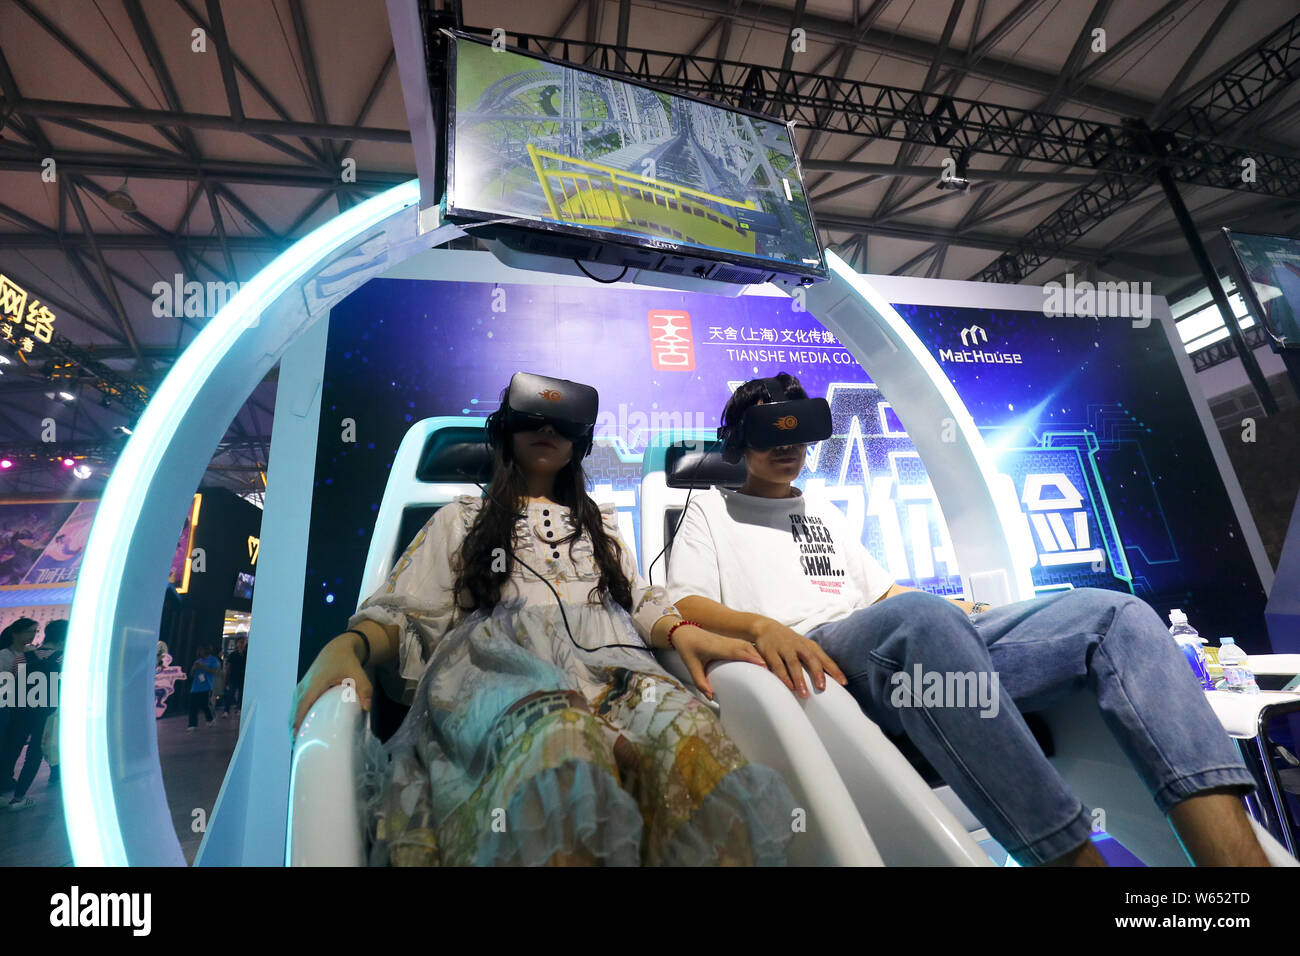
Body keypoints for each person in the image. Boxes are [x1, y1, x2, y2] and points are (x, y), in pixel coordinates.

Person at [667, 371, 1270, 867]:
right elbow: (683, 602)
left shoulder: (823, 510)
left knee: (1118, 617)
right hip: (819, 661)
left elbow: (884, 595)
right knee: (922, 621)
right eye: (770, 430)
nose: (787, 443)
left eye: (799, 429)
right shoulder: (709, 511)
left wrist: (971, 610)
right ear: (736, 440)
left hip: (904, 638)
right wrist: (760, 627)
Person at [290, 372, 794, 866]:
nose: (548, 431)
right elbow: (407, 611)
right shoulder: (461, 519)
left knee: (688, 738)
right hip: (500, 669)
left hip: (616, 667)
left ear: (579, 443)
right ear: (506, 429)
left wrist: (683, 631)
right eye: (534, 417)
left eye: (563, 423)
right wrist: (350, 645)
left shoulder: (599, 523)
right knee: (560, 741)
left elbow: (638, 599)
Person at [1, 619, 63, 811]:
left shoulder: (22, 657)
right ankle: (19, 798)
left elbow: (11, 683)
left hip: (20, 711)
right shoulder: (63, 658)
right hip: (47, 713)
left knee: (11, 752)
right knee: (34, 754)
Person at [0, 617, 38, 797]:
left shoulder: (33, 653)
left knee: (15, 745)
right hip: (7, 706)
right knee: (6, 744)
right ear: (15, 633)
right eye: (29, 631)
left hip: (24, 707)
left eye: (35, 631)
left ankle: (7, 776)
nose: (32, 635)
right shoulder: (4, 655)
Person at [187, 644, 219, 731]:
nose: (200, 652)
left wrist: (203, 667)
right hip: (195, 687)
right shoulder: (198, 661)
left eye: (202, 650)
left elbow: (214, 671)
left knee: (205, 705)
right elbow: (192, 674)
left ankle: (211, 719)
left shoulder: (213, 660)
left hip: (207, 686)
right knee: (192, 706)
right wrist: (193, 668)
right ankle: (192, 724)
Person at [221, 636, 247, 717]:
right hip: (233, 677)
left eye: (243, 642)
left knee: (241, 694)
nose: (242, 644)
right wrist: (226, 679)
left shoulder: (247, 655)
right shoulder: (233, 654)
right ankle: (226, 710)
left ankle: (239, 709)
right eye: (240, 642)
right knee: (230, 693)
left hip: (243, 677)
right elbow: (228, 667)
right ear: (237, 644)